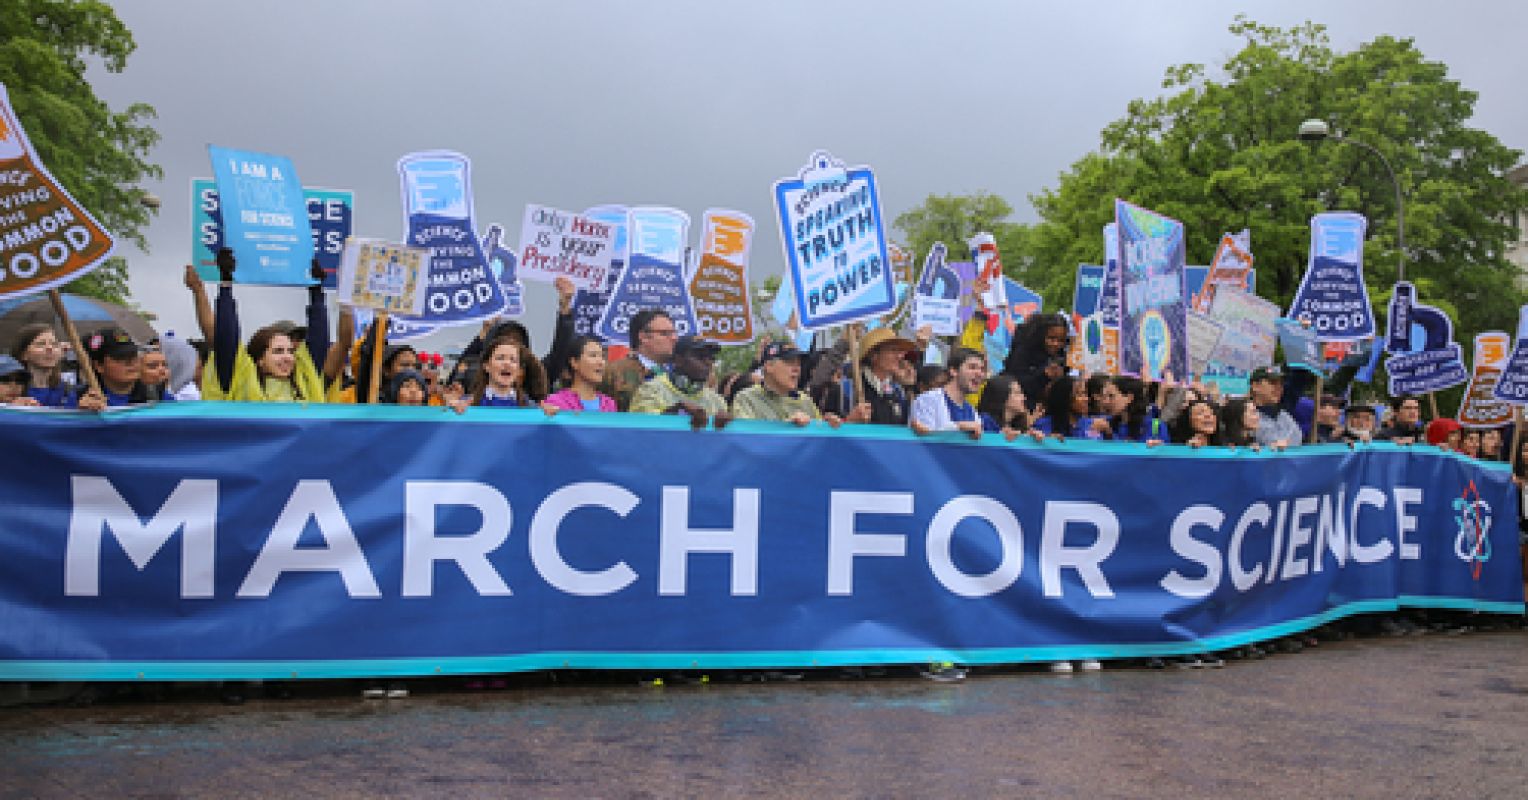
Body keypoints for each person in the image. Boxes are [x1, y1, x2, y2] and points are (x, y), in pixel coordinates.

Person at [186, 250, 328, 403]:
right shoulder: (242, 379)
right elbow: (226, 338)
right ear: (260, 359)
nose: (287, 357)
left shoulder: (304, 382)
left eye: (291, 351)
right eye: (278, 351)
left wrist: (316, 291)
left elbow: (319, 340)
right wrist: (226, 284)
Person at [630, 335, 730, 428]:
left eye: (711, 358)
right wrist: (677, 409)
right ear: (678, 360)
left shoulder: (717, 401)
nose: (708, 363)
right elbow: (643, 429)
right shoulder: (650, 390)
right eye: (700, 357)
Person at [817, 328, 912, 425]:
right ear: (874, 355)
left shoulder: (898, 393)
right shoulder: (844, 390)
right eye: (893, 350)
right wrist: (849, 421)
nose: (899, 356)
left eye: (899, 351)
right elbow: (827, 432)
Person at [731, 342, 839, 427]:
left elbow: (817, 442)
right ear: (769, 366)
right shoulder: (746, 398)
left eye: (799, 363)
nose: (796, 369)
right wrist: (787, 427)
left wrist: (826, 425)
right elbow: (746, 439)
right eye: (789, 362)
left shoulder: (806, 401)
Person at [602, 308, 677, 411]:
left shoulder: (678, 373)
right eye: (665, 333)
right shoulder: (615, 372)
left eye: (674, 333)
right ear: (643, 336)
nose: (674, 338)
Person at [910, 347, 987, 440]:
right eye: (972, 367)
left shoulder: (972, 411)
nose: (979, 374)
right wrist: (958, 426)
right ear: (954, 371)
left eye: (982, 369)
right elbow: (924, 441)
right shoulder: (927, 400)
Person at [451, 336, 548, 409]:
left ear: (519, 371)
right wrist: (450, 414)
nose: (507, 363)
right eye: (500, 358)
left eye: (513, 360)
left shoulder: (530, 407)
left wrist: (549, 419)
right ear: (487, 366)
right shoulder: (467, 404)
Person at [1002, 312, 1070, 411]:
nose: (1056, 344)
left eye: (1061, 340)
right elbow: (1016, 383)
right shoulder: (1023, 352)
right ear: (1042, 335)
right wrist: (1044, 375)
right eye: (1051, 338)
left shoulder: (1062, 357)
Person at [542, 335, 618, 414]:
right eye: (593, 355)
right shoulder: (556, 402)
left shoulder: (609, 404)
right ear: (574, 362)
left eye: (603, 357)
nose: (601, 362)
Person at [9, 323, 74, 407]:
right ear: (24, 354)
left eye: (54, 344)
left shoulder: (68, 390)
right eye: (41, 344)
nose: (49, 348)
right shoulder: (10, 390)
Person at [974, 373, 1047, 441]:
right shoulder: (984, 421)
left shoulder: (1019, 426)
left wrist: (1029, 439)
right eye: (1017, 393)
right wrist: (1000, 436)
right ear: (1001, 396)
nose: (1024, 398)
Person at [1097, 376, 1166, 443]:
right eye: (1105, 396)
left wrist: (1110, 435)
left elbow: (1156, 451)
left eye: (1111, 396)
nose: (1106, 401)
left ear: (1129, 398)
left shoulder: (1155, 425)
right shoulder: (1105, 423)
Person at [1248, 367, 1302, 448]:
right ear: (1255, 386)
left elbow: (1297, 441)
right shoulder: (1245, 415)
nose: (1279, 388)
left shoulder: (1284, 416)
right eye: (1273, 383)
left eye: (1281, 384)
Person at [1033, 375, 1100, 439]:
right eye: (1079, 394)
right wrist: (1048, 439)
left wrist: (1108, 432)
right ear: (1065, 398)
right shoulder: (1043, 425)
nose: (1086, 399)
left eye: (1085, 394)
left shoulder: (1092, 425)